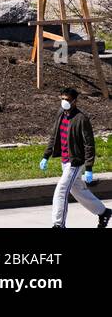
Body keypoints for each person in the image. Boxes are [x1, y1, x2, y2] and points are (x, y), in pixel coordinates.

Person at [41, 87, 111, 229]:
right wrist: (46, 156)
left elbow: (89, 144)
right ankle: (103, 212)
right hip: (65, 160)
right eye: (62, 98)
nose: (64, 102)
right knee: (77, 190)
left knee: (61, 189)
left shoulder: (81, 119)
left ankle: (58, 224)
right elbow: (54, 136)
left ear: (74, 101)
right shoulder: (61, 114)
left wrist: (89, 167)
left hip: (75, 162)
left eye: (67, 99)